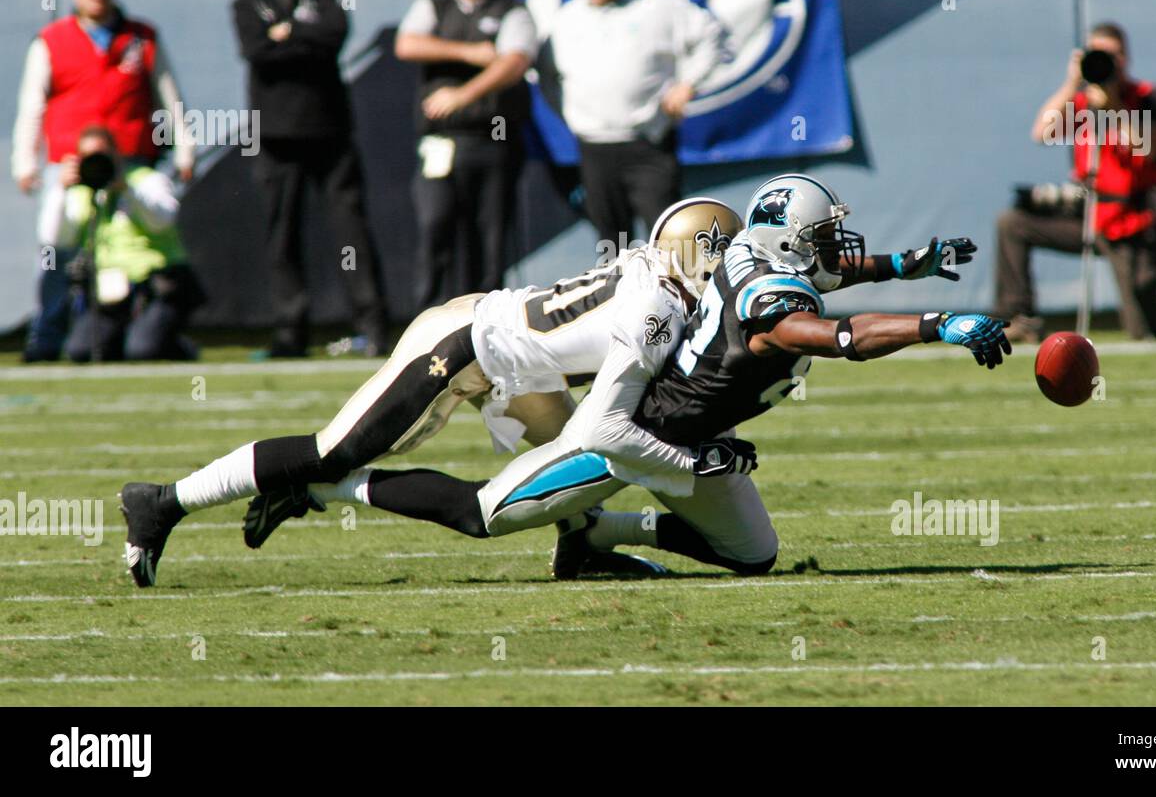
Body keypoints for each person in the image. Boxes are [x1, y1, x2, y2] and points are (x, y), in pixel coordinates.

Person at [117, 197, 745, 587]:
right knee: (334, 450)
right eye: (726, 258)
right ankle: (163, 502)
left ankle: (581, 545)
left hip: (520, 366)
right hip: (463, 346)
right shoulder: (658, 308)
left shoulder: (657, 280)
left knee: (572, 463)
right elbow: (623, 406)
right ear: (699, 257)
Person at [11, 0, 195, 363]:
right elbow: (32, 105)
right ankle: (47, 337)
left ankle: (144, 327)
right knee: (59, 250)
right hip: (71, 162)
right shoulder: (53, 40)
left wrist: (184, 146)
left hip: (130, 160)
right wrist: (25, 161)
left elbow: (170, 95)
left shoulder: (140, 38)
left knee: (135, 242)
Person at [231, 0, 389, 357]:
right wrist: (297, 38)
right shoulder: (249, 2)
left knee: (351, 233)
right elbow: (258, 51)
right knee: (282, 236)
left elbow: (332, 38)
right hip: (276, 136)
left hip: (329, 133)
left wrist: (287, 35)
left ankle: (372, 325)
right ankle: (290, 330)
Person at [996, 22, 1156, 342]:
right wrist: (1071, 84)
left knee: (1142, 327)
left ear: (1125, 58)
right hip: (1088, 213)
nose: (1104, 61)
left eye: (1111, 55)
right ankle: (1019, 317)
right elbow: (1042, 132)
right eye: (1096, 54)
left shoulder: (1148, 97)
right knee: (1012, 223)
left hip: (1134, 220)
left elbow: (1146, 147)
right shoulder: (1081, 101)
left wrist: (1112, 102)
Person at [537, 0, 728, 254]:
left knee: (668, 238)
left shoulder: (654, 4)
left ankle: (678, 303)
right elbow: (547, 75)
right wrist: (572, 115)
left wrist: (687, 84)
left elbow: (711, 33)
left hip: (648, 142)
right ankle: (622, 302)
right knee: (613, 245)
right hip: (595, 147)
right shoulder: (566, 18)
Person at [394, 0, 535, 308]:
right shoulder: (434, 5)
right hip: (441, 141)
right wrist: (470, 53)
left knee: (489, 236)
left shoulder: (511, 9)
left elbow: (514, 61)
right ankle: (427, 318)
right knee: (436, 224)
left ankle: (485, 325)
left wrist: (462, 94)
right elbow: (406, 44)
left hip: (493, 137)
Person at [55, 126, 202, 362]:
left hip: (157, 288)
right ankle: (126, 338)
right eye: (88, 157)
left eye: (101, 155)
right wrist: (60, 192)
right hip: (111, 296)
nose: (96, 162)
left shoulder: (146, 180)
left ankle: (179, 347)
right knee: (82, 351)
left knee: (143, 351)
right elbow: (56, 239)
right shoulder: (83, 193)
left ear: (116, 153)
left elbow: (162, 221)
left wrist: (127, 189)